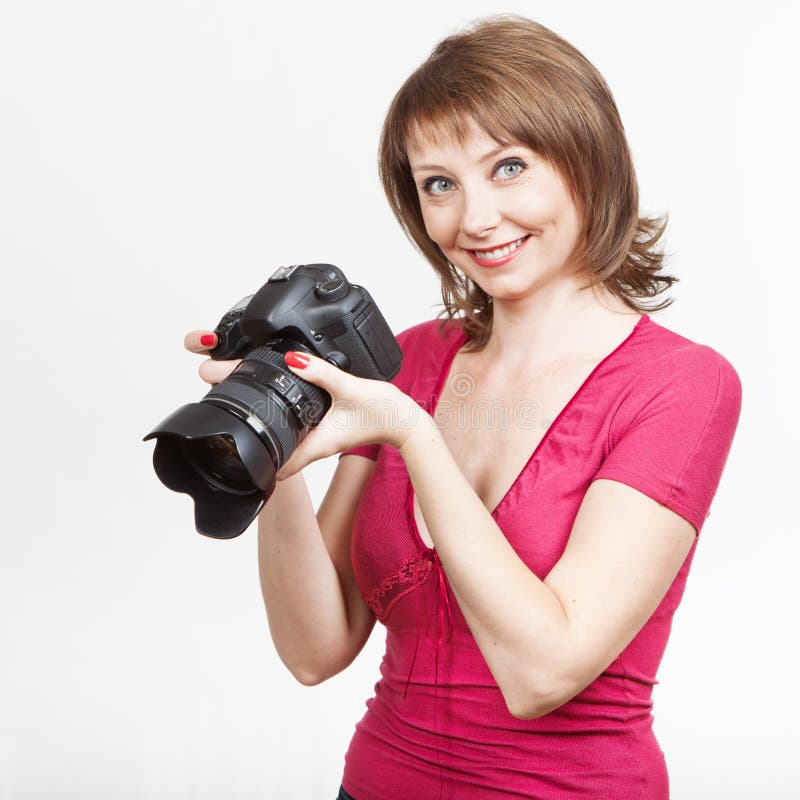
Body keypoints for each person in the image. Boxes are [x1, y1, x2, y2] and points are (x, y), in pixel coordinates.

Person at [185, 15, 742, 799]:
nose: (474, 219)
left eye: (509, 167)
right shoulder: (410, 358)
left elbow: (542, 672)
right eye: (438, 184)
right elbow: (315, 650)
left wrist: (415, 435)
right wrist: (271, 445)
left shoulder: (682, 385)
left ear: (589, 162)